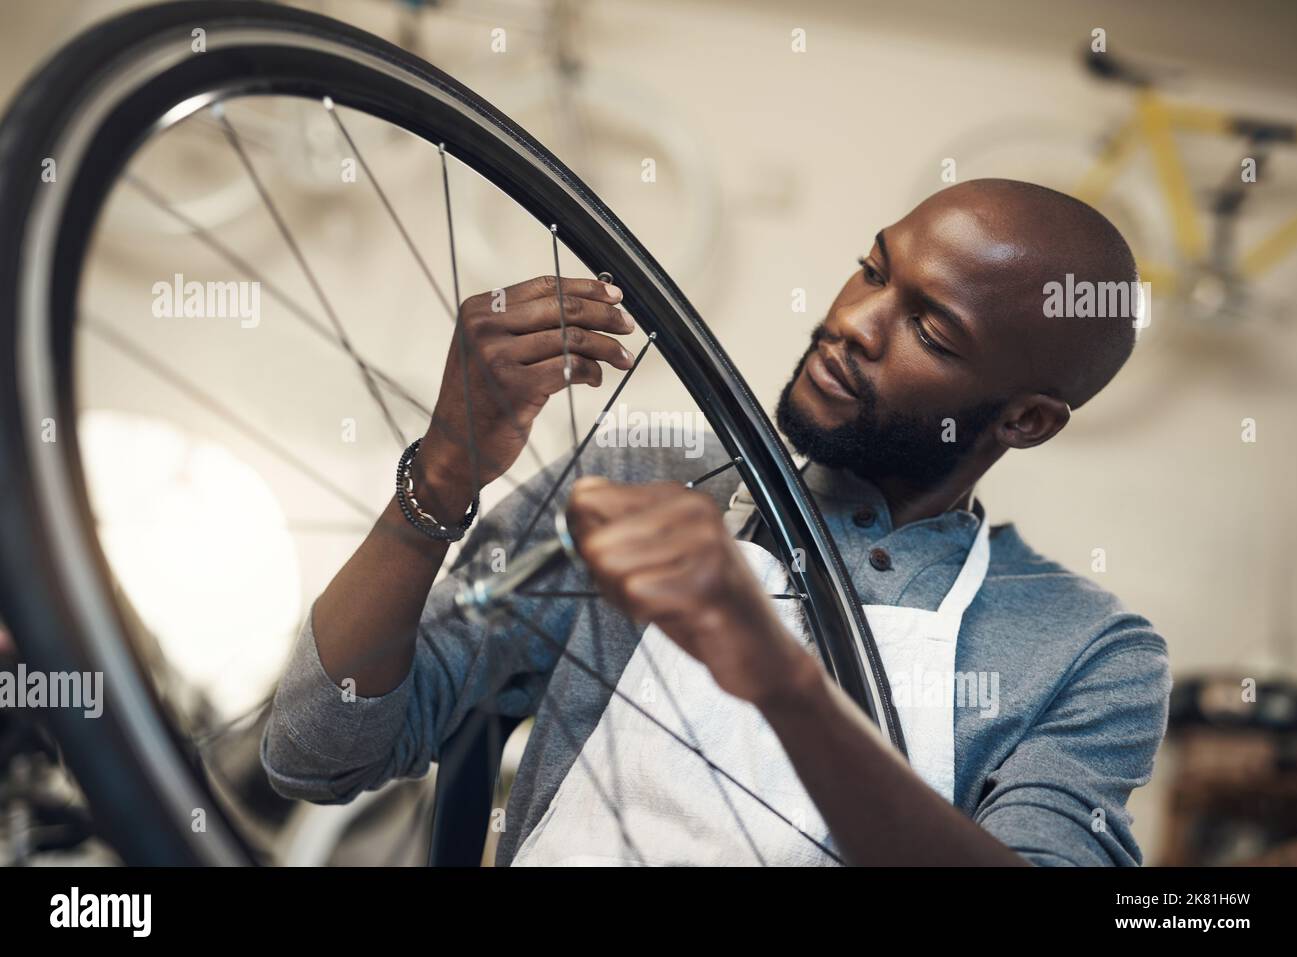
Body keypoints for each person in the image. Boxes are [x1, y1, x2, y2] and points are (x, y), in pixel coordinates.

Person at [261, 179, 1172, 866]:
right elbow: (316, 751)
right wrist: (444, 470)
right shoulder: (643, 476)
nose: (852, 323)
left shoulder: (1088, 650)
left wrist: (780, 676)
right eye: (872, 270)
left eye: (932, 332)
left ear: (1026, 421)